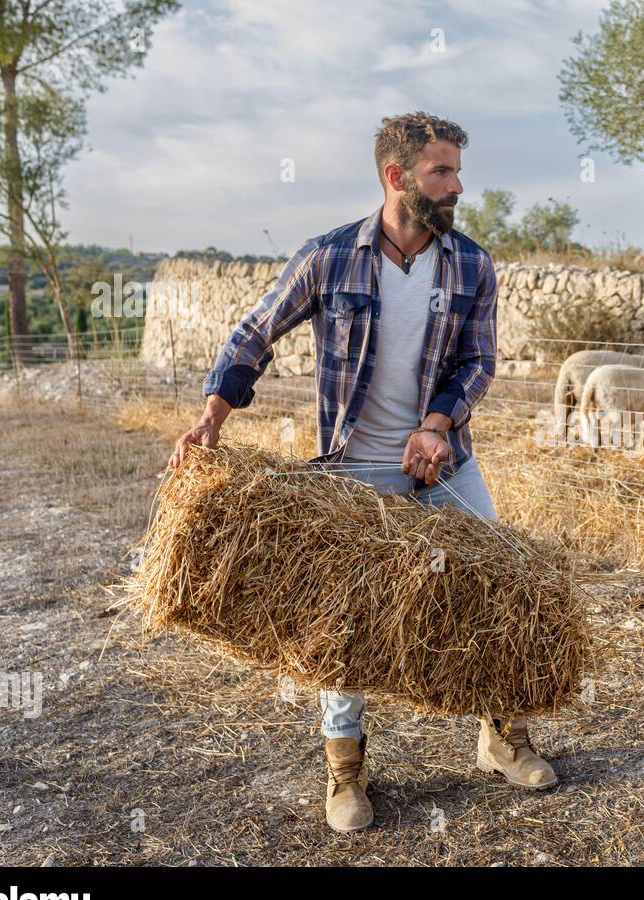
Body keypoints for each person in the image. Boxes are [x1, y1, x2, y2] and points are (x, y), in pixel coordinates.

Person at [168, 111, 557, 833]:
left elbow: (479, 362)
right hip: (352, 470)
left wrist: (438, 426)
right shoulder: (330, 258)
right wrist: (213, 418)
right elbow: (255, 333)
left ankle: (502, 738)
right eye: (442, 172)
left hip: (446, 465)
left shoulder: (471, 264)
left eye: (457, 171)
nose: (458, 187)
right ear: (396, 176)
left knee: (507, 586)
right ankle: (345, 772)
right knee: (343, 621)